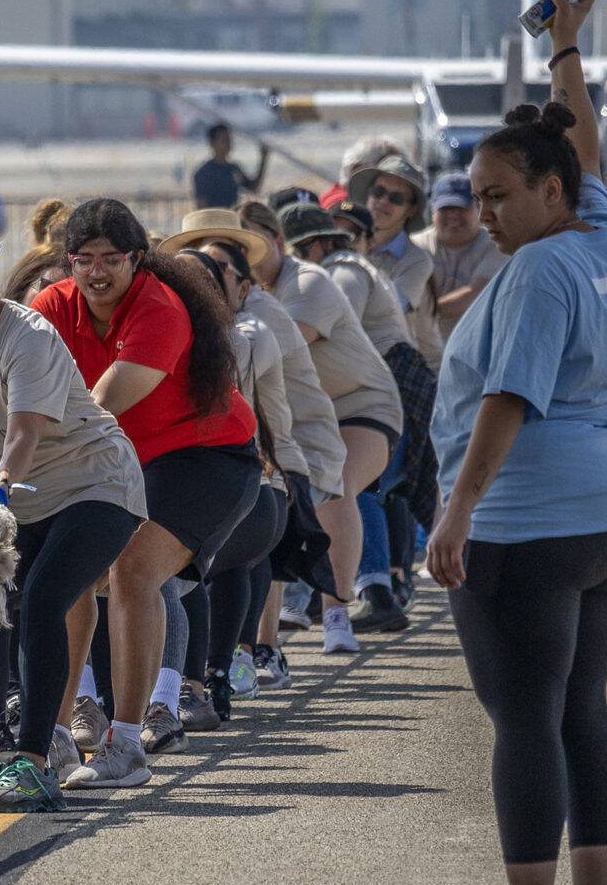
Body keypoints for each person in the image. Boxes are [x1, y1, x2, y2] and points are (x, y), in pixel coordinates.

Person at [433, 0, 607, 885]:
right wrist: (567, 42)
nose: (483, 214)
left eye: (498, 196)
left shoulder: (535, 270)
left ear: (547, 192)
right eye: (475, 197)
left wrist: (456, 510)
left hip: (528, 522)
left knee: (523, 716)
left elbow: (508, 399)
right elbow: (586, 145)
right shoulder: (603, 236)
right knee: (580, 710)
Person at [0, 202, 145, 812]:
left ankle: (35, 765)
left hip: (96, 485)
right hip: (23, 499)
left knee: (44, 599)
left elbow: (23, 432)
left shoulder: (27, 335)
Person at [33, 199, 259, 785]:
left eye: (111, 258)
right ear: (67, 261)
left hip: (207, 456)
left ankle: (127, 745)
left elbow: (100, 407)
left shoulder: (159, 308)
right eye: (84, 259)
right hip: (121, 457)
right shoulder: (50, 307)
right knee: (70, 570)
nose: (97, 271)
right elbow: (17, 381)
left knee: (132, 570)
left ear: (137, 259)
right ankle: (55, 736)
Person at [160, 208, 345, 692]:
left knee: (236, 547)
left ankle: (244, 657)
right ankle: (223, 667)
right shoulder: (206, 324)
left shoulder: (257, 324)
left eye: (219, 267)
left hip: (279, 465)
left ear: (242, 281)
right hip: (246, 467)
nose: (202, 279)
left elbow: (234, 380)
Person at [239, 200, 402, 655]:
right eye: (237, 248)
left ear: (278, 241)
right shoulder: (248, 295)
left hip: (362, 403)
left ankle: (336, 613)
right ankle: (275, 629)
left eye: (255, 245)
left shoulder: (307, 281)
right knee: (278, 497)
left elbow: (276, 347)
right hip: (305, 417)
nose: (247, 258)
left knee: (337, 484)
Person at [281, 202, 439, 631]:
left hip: (386, 383)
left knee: (355, 484)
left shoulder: (342, 271)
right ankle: (368, 588)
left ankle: (374, 591)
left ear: (313, 246)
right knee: (375, 489)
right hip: (378, 385)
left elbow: (329, 321)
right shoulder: (347, 267)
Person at [348, 154, 439, 363]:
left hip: (418, 370)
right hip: (373, 362)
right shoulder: (352, 246)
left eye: (396, 198)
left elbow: (385, 312)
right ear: (369, 194)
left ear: (411, 210)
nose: (383, 201)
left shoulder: (417, 260)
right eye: (378, 192)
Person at [413, 171, 509, 364]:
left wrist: (419, 314)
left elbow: (476, 294)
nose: (453, 215)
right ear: (432, 213)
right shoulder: (415, 246)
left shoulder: (497, 245)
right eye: (445, 208)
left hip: (479, 357)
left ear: (478, 211)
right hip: (425, 359)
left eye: (460, 207)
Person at [192, 122, 268, 209]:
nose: (228, 143)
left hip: (231, 216)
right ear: (212, 143)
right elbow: (202, 206)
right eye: (224, 140)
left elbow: (253, 188)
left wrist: (264, 159)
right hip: (214, 216)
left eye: (229, 139)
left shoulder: (233, 169)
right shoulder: (203, 173)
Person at [319, 136, 404, 210]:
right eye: (382, 173)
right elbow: (340, 208)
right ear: (356, 169)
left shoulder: (334, 197)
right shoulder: (341, 202)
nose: (390, 181)